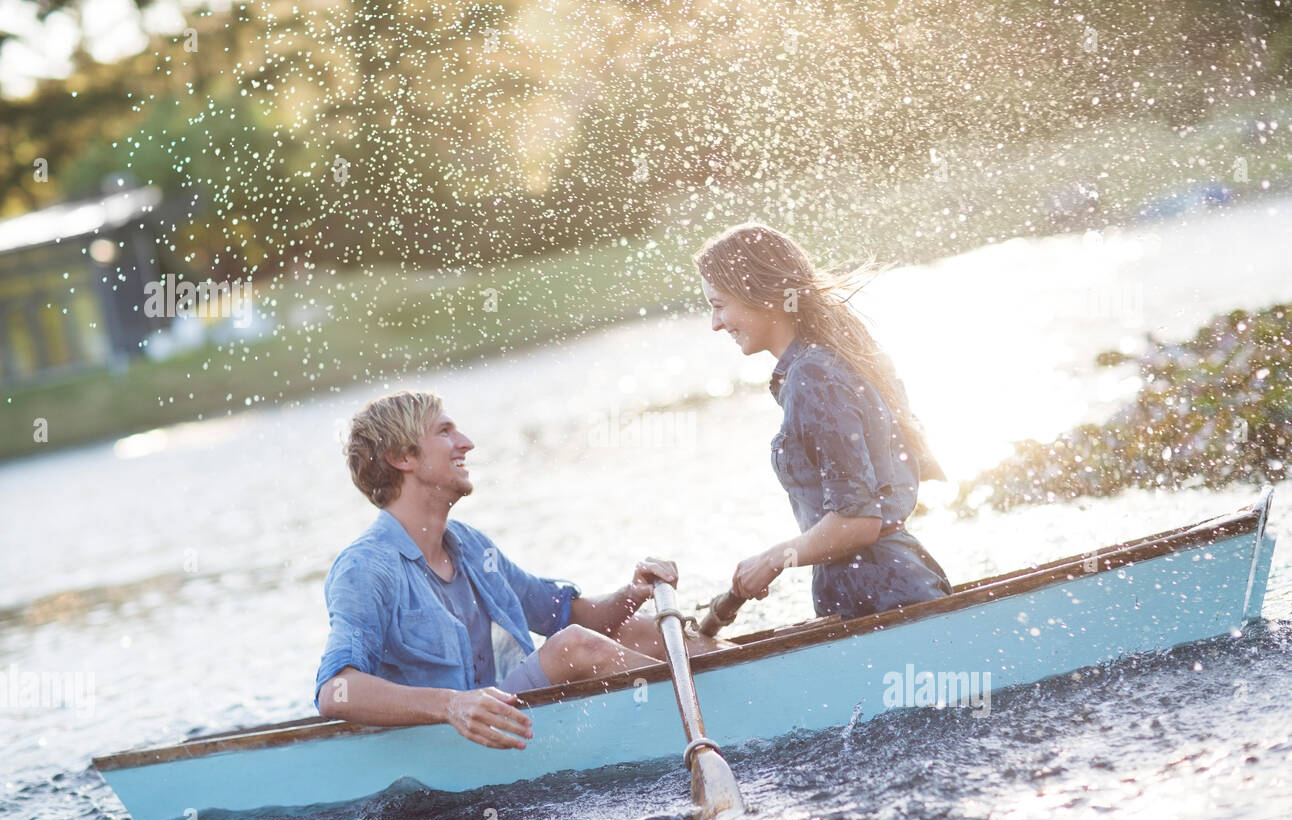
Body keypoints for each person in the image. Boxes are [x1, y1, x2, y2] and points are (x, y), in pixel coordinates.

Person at [314, 389, 704, 749]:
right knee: (573, 647)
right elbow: (336, 691)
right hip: (449, 740)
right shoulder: (365, 567)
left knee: (641, 629)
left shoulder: (472, 546)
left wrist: (632, 593)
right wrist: (451, 705)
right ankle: (718, 710)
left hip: (505, 711)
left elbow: (564, 613)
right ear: (403, 457)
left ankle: (747, 671)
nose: (466, 442)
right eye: (445, 431)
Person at [692, 222, 952, 619]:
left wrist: (774, 558)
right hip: (881, 587)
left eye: (718, 305)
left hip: (880, 594)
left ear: (761, 296)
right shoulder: (817, 365)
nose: (715, 323)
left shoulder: (814, 376)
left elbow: (858, 522)